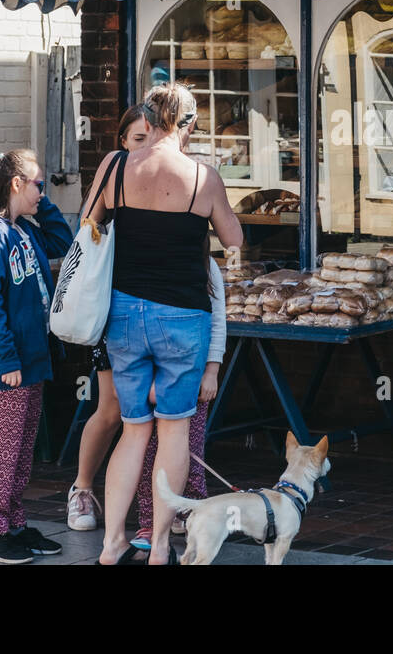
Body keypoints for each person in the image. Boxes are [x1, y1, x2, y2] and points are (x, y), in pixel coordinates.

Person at [85, 82, 242, 565]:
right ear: (189, 124)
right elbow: (234, 241)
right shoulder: (203, 177)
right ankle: (157, 546)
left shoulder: (114, 166)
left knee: (133, 430)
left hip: (125, 313)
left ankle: (112, 544)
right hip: (183, 316)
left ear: (148, 120)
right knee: (173, 431)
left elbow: (89, 224)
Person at [0, 148, 75, 563]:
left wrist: (41, 203)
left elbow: (63, 240)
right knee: (2, 450)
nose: (41, 193)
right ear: (15, 184)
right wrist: (6, 359)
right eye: (37, 184)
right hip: (9, 364)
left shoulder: (23, 230)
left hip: (32, 358)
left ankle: (14, 523)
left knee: (22, 449)